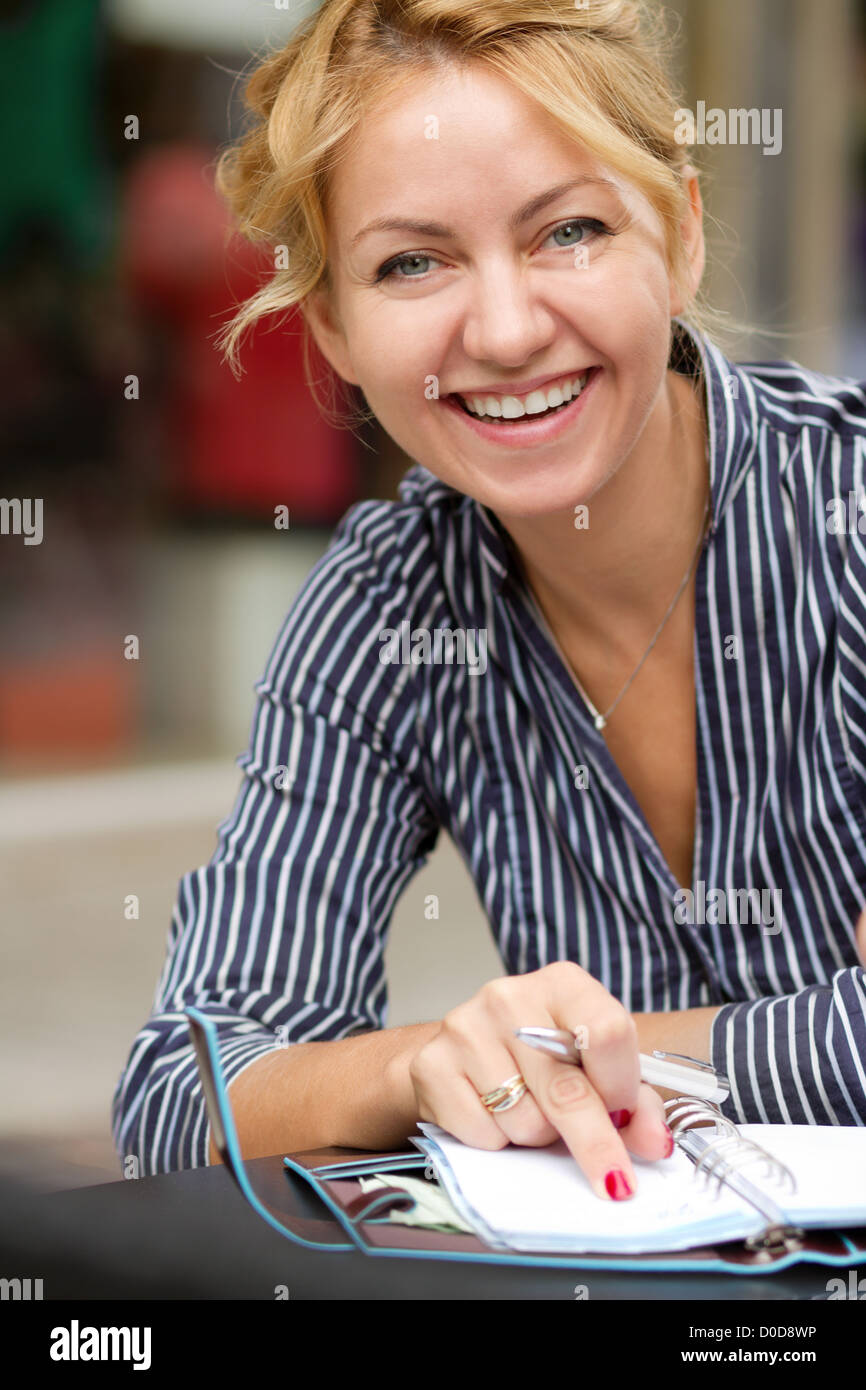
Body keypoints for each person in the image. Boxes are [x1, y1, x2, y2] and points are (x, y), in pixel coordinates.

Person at [113, 0, 866, 1200]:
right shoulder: (388, 608)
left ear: (675, 237)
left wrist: (574, 1065)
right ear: (335, 327)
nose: (507, 329)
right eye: (411, 262)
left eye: (567, 231)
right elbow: (183, 1087)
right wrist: (422, 1065)